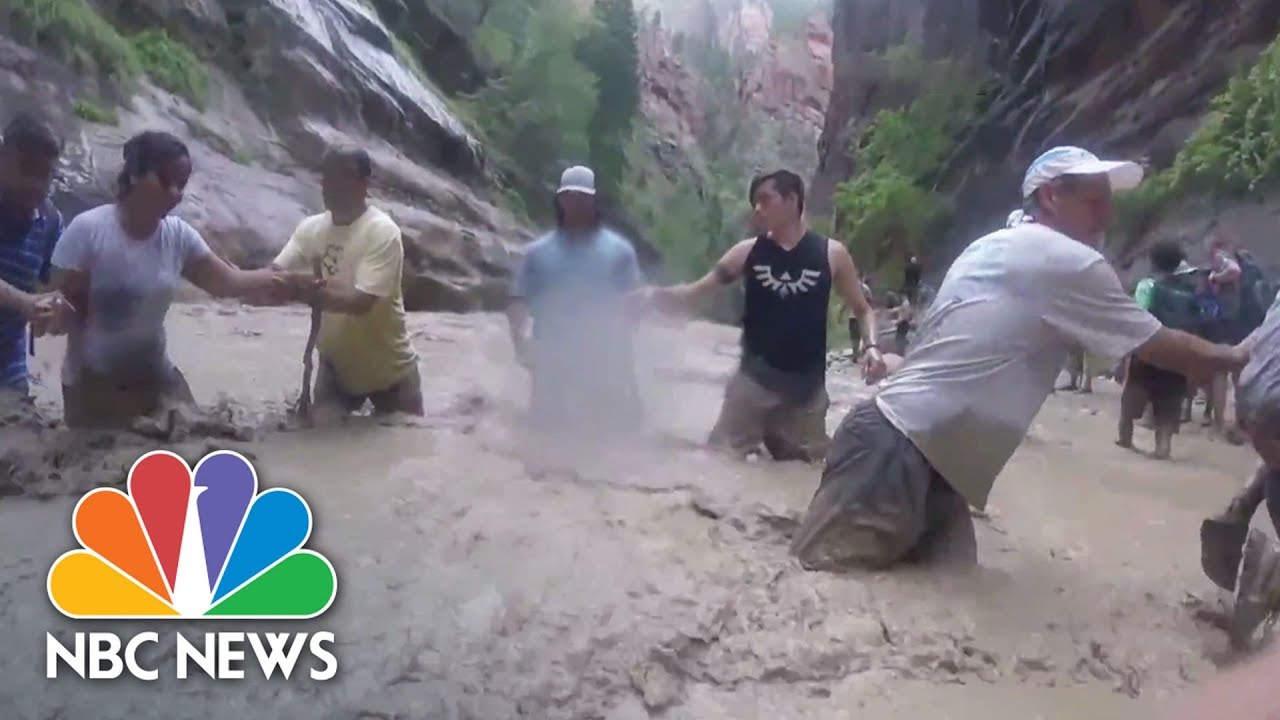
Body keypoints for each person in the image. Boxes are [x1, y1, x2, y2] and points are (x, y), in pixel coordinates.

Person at [789, 146, 1249, 572]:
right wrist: (1241, 354)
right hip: (899, 450)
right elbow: (1162, 347)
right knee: (826, 579)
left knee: (938, 588)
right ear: (1051, 197)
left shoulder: (993, 245)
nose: (1107, 216)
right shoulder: (1066, 260)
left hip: (929, 457)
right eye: (1094, 202)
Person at [50, 130, 298, 429]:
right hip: (93, 383)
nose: (175, 194)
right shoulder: (89, 231)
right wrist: (53, 310)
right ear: (134, 176)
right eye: (166, 182)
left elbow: (225, 282)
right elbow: (53, 300)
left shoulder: (177, 235)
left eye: (181, 185)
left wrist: (280, 280)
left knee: (205, 444)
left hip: (157, 377)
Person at [636, 169, 885, 463]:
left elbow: (862, 309)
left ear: (792, 200)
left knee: (807, 469)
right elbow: (695, 293)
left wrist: (871, 347)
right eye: (755, 201)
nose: (758, 208)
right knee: (719, 461)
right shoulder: (747, 253)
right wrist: (651, 297)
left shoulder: (832, 255)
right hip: (752, 383)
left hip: (806, 391)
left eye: (765, 200)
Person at [270, 147, 422, 417]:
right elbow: (274, 273)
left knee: (409, 446)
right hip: (336, 370)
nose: (332, 184)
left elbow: (360, 301)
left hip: (392, 371)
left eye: (343, 176)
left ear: (365, 184)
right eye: (327, 176)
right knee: (320, 450)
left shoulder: (382, 232)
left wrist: (298, 287)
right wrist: (244, 281)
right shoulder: (311, 229)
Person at [507, 165, 644, 434]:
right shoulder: (537, 252)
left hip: (602, 358)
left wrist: (625, 351)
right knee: (546, 434)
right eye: (570, 197)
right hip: (550, 356)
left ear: (594, 201)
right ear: (560, 200)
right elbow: (519, 300)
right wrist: (519, 344)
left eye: (582, 198)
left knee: (599, 436)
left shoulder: (619, 251)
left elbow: (635, 302)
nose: (576, 204)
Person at [0, 114, 74, 396]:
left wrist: (55, 310)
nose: (36, 184)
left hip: (8, 370)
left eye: (45, 174)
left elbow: (57, 287)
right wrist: (23, 302)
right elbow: (27, 301)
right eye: (26, 169)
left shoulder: (50, 222)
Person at [1117, 241, 1200, 459]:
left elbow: (1137, 316)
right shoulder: (1189, 293)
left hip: (1149, 350)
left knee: (1133, 392)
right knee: (1169, 399)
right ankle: (1163, 446)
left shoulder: (1148, 285)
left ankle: (1125, 438)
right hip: (1179, 354)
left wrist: (1126, 352)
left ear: (1152, 261)